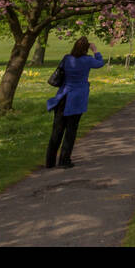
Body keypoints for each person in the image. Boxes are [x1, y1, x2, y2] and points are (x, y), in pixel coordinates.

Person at [46, 36, 105, 169]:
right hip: (76, 99)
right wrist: (95, 50)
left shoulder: (67, 59)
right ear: (86, 48)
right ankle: (64, 160)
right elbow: (100, 63)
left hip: (62, 97)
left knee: (57, 130)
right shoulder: (88, 60)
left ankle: (50, 161)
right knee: (71, 131)